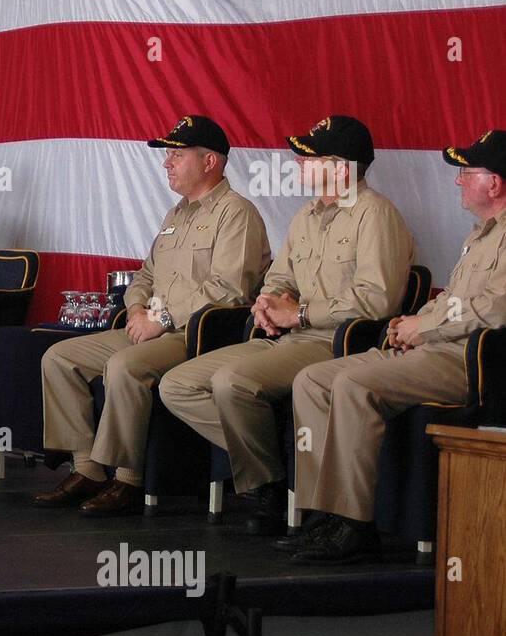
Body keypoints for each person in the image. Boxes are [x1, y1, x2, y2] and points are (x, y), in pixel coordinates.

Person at [160, 116, 415, 534]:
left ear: (340, 167)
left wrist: (297, 314)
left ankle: (272, 488)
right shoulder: (306, 216)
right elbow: (280, 278)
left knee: (231, 383)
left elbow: (377, 299)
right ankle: (271, 468)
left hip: (334, 343)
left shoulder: (376, 215)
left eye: (309, 157)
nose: (297, 164)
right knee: (178, 385)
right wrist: (266, 304)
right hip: (283, 337)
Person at [34, 116, 271, 516]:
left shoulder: (237, 214)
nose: (167, 164)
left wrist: (160, 320)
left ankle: (127, 480)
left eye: (177, 156)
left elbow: (228, 290)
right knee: (59, 358)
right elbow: (145, 273)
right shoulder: (176, 215)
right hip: (151, 325)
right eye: (169, 157)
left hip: (193, 335)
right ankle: (87, 468)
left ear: (210, 162)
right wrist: (137, 308)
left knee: (124, 366)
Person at [288, 130, 506, 563]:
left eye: (467, 172)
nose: (459, 181)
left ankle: (353, 525)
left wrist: (426, 328)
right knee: (313, 379)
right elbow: (455, 298)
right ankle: (321, 514)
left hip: (470, 360)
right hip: (436, 348)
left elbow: (493, 309)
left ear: (495, 183)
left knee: (353, 384)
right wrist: (415, 322)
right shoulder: (481, 233)